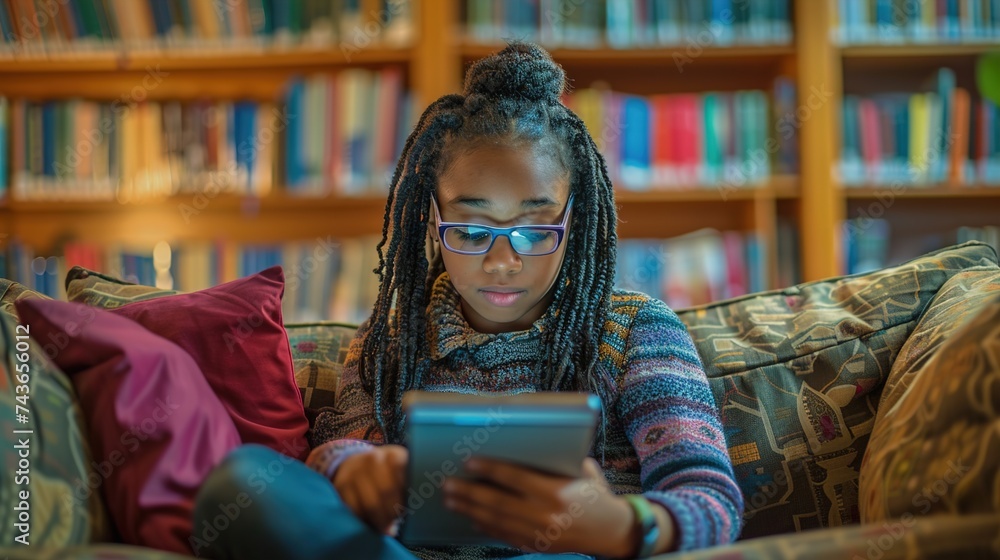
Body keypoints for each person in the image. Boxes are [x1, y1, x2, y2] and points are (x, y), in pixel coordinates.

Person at [192, 41, 743, 559]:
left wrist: (621, 526)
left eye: (534, 231)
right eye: (473, 232)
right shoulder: (391, 339)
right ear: (432, 219)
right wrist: (352, 469)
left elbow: (711, 500)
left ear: (572, 220)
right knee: (240, 484)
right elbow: (342, 446)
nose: (502, 262)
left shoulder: (636, 330)